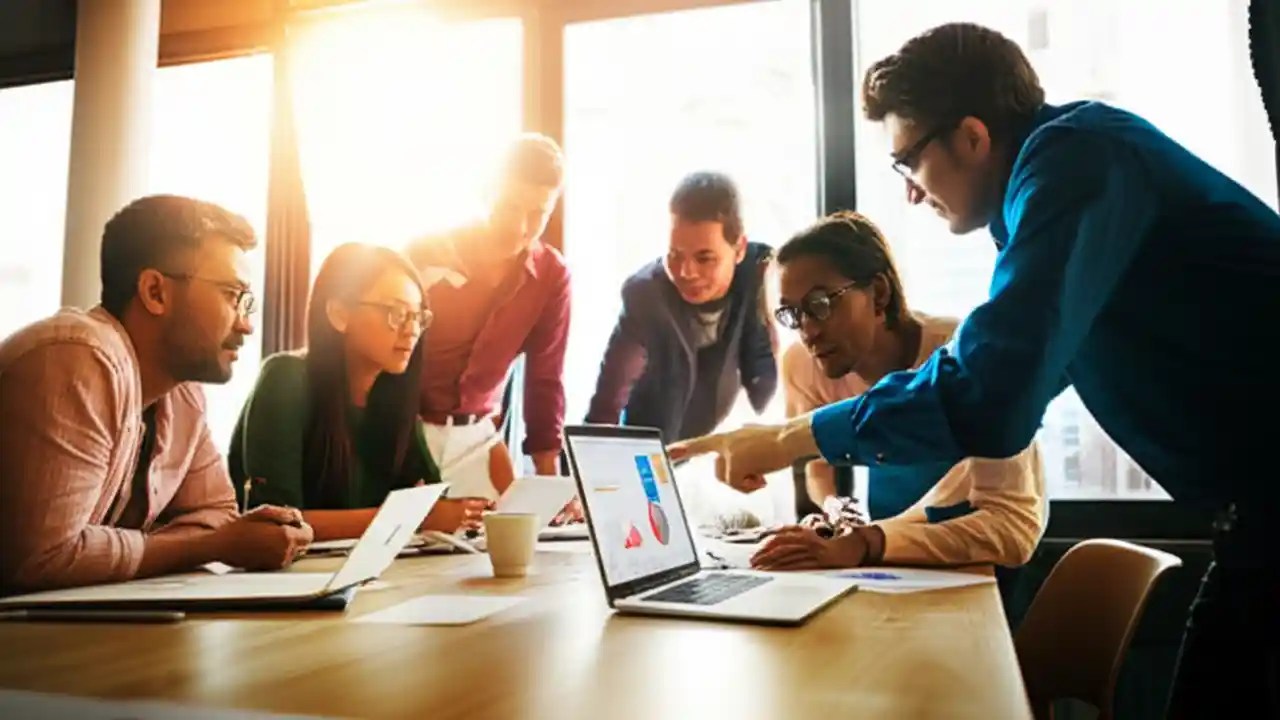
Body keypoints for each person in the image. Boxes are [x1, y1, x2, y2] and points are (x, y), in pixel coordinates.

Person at [669, 23, 1280, 717]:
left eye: (908, 164)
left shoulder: (1079, 159)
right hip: (1255, 520)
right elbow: (1009, 384)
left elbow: (991, 393)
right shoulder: (1047, 198)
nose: (910, 193)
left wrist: (787, 438)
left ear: (971, 136)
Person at [0, 195, 313, 594]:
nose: (247, 324)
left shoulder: (182, 392)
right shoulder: (79, 358)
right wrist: (210, 546)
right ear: (155, 292)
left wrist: (202, 541)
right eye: (231, 295)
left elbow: (217, 512)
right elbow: (42, 559)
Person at [752, 211, 1045, 573]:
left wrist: (867, 542)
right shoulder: (803, 364)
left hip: (980, 565)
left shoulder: (964, 354)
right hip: (890, 559)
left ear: (878, 293)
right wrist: (837, 514)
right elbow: (817, 462)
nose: (808, 331)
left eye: (821, 304)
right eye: (792, 314)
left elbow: (1013, 528)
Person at [229, 243, 491, 541]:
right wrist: (410, 519)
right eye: (395, 312)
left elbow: (430, 500)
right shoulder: (286, 379)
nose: (411, 330)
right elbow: (278, 521)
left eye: (418, 316)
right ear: (339, 313)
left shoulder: (394, 396)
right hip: (287, 579)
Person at [406, 133, 571, 503]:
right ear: (486, 190)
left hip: (477, 443)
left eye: (537, 214)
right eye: (510, 207)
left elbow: (546, 380)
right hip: (405, 433)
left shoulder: (551, 275)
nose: (520, 227)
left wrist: (551, 485)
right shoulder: (428, 252)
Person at [585, 171, 776, 443]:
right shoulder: (645, 295)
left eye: (704, 258)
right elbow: (612, 391)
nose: (686, 272)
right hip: (659, 444)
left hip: (726, 438)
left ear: (740, 249)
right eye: (675, 255)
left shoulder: (761, 272)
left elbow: (764, 361)